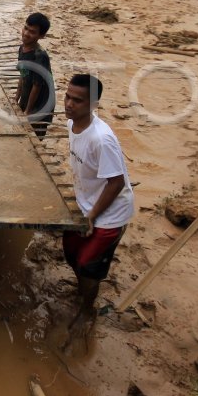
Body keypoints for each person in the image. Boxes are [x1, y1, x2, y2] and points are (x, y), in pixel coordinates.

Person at [63, 73, 135, 339]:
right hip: (86, 204)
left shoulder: (101, 139)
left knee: (88, 264)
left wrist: (93, 216)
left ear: (93, 104)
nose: (69, 104)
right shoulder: (73, 125)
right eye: (68, 96)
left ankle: (87, 308)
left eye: (78, 100)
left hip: (109, 213)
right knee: (70, 251)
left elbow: (115, 183)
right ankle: (82, 289)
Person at [16, 12, 55, 136]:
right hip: (28, 93)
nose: (26, 34)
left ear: (41, 36)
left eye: (32, 32)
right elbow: (23, 75)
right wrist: (16, 98)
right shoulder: (22, 48)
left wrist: (28, 111)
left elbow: (37, 86)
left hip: (41, 101)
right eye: (26, 28)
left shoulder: (40, 56)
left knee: (35, 132)